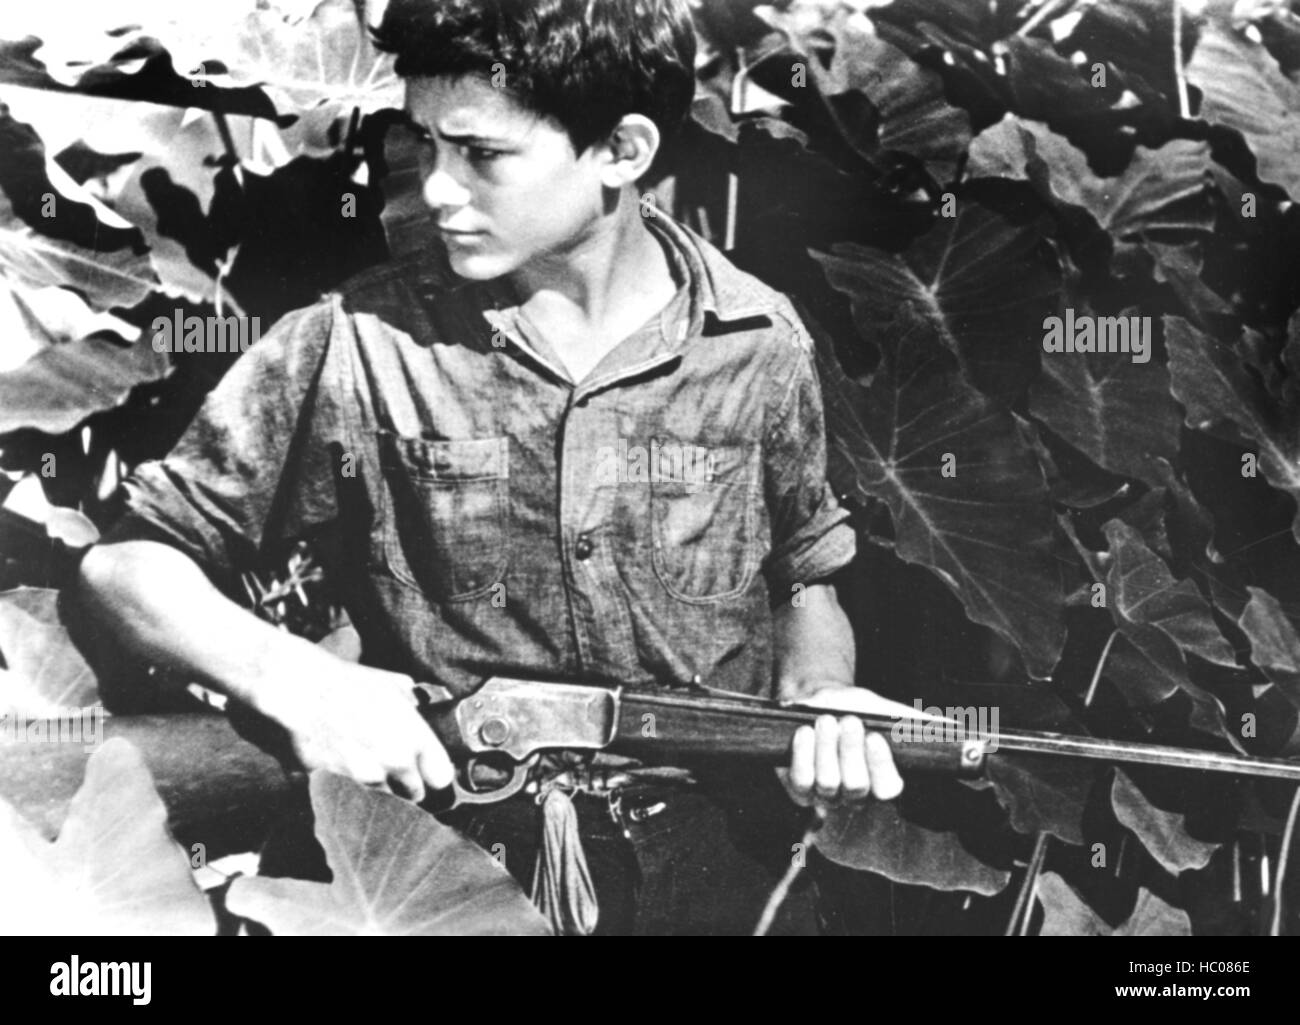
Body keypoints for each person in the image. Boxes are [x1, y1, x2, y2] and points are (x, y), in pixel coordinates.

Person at [76, 0, 906, 935]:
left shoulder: (757, 340)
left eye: (481, 154)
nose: (434, 189)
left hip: (718, 870)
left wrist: (816, 703)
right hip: (439, 870)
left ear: (623, 152)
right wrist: (296, 679)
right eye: (425, 145)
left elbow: (803, 578)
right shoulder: (357, 342)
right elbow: (126, 568)